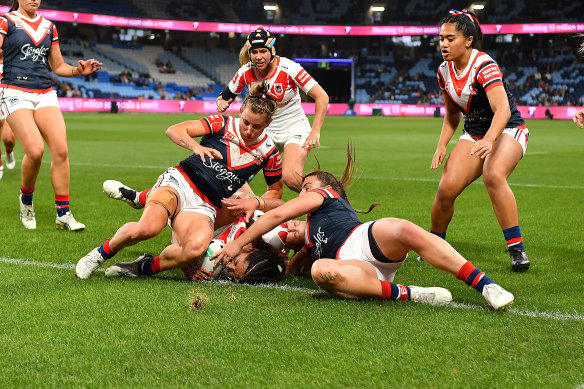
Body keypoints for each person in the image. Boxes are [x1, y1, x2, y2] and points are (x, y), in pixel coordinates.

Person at [214, 145, 515, 310]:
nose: (302, 194)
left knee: (404, 230)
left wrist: (236, 244)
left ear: (326, 187)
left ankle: (485, 284)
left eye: (306, 187)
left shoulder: (324, 196)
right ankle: (409, 293)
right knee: (320, 271)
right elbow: (290, 266)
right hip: (355, 270)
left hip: (364, 239)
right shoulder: (308, 241)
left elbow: (278, 214)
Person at [75, 81, 284, 280]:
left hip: (206, 204)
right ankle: (99, 254)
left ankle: (140, 267)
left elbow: (276, 193)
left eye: (256, 126)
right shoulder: (222, 123)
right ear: (240, 112)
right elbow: (174, 130)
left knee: (194, 249)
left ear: (268, 123)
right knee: (148, 229)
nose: (248, 130)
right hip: (180, 181)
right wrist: (196, 147)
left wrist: (255, 202)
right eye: (246, 122)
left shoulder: (269, 153)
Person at [427, 9, 530, 272]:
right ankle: (435, 245)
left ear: (468, 40)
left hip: (508, 129)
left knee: (493, 174)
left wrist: (490, 139)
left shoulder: (484, 65)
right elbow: (451, 114)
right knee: (446, 188)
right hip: (474, 132)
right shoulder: (443, 70)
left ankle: (516, 249)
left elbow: (503, 110)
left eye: (450, 39)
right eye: (441, 38)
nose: (443, 44)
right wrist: (441, 146)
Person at [0, 0, 102, 230]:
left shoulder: (49, 26)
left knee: (61, 149)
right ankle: (26, 200)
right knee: (35, 151)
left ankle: (63, 214)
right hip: (14, 90)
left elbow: (58, 66)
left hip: (45, 92)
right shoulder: (5, 22)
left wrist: (78, 70)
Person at [100, 179, 288, 284]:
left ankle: (139, 266)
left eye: (232, 275)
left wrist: (187, 266)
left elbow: (181, 248)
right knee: (236, 198)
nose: (229, 267)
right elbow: (283, 206)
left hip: (196, 225)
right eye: (236, 263)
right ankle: (139, 197)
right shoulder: (272, 236)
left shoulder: (216, 259)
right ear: (252, 251)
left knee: (187, 248)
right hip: (217, 200)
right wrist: (254, 201)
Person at [216, 27, 329, 192]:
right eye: (254, 52)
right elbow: (225, 96)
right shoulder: (245, 71)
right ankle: (242, 213)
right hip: (263, 133)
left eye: (263, 51)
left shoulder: (290, 69)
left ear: (272, 50)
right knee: (235, 174)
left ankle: (328, 201)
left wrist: (315, 131)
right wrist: (221, 102)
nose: (258, 56)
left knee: (291, 178)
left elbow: (322, 96)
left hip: (294, 130)